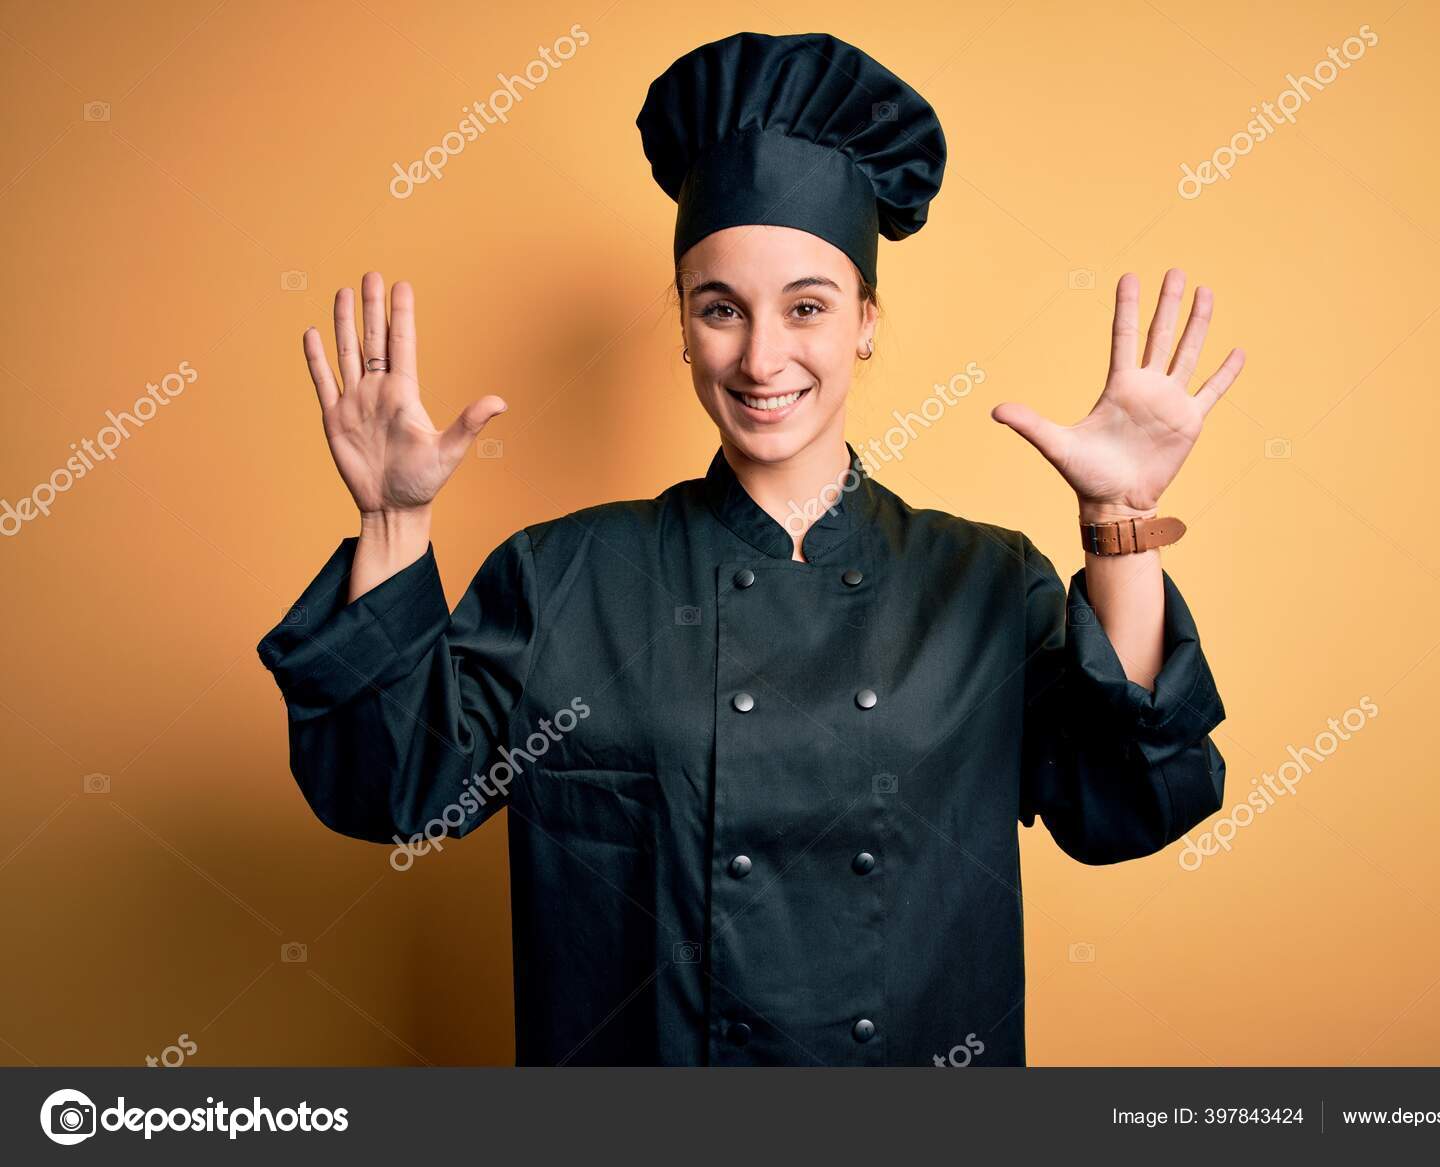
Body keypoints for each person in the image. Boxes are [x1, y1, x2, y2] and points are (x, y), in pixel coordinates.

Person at [258, 30, 1246, 1067]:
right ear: (684, 329)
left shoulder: (985, 584)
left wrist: (1120, 521)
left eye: (807, 307)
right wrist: (392, 522)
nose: (762, 357)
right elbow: (392, 790)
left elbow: (1129, 804)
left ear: (866, 321)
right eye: (720, 309)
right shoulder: (564, 576)